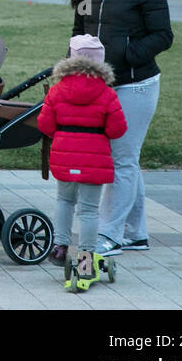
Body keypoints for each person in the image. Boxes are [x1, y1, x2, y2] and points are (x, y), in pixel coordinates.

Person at [69, 0, 173, 257]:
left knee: (120, 160)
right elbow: (78, 31)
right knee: (125, 158)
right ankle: (135, 232)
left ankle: (110, 234)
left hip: (136, 84)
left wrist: (125, 55)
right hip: (98, 85)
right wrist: (73, 65)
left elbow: (163, 36)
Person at [37, 38, 127, 289]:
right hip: (94, 160)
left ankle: (59, 246)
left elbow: (45, 124)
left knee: (64, 200)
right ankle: (86, 259)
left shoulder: (57, 89)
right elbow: (117, 129)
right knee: (88, 210)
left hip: (64, 156)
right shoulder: (107, 93)